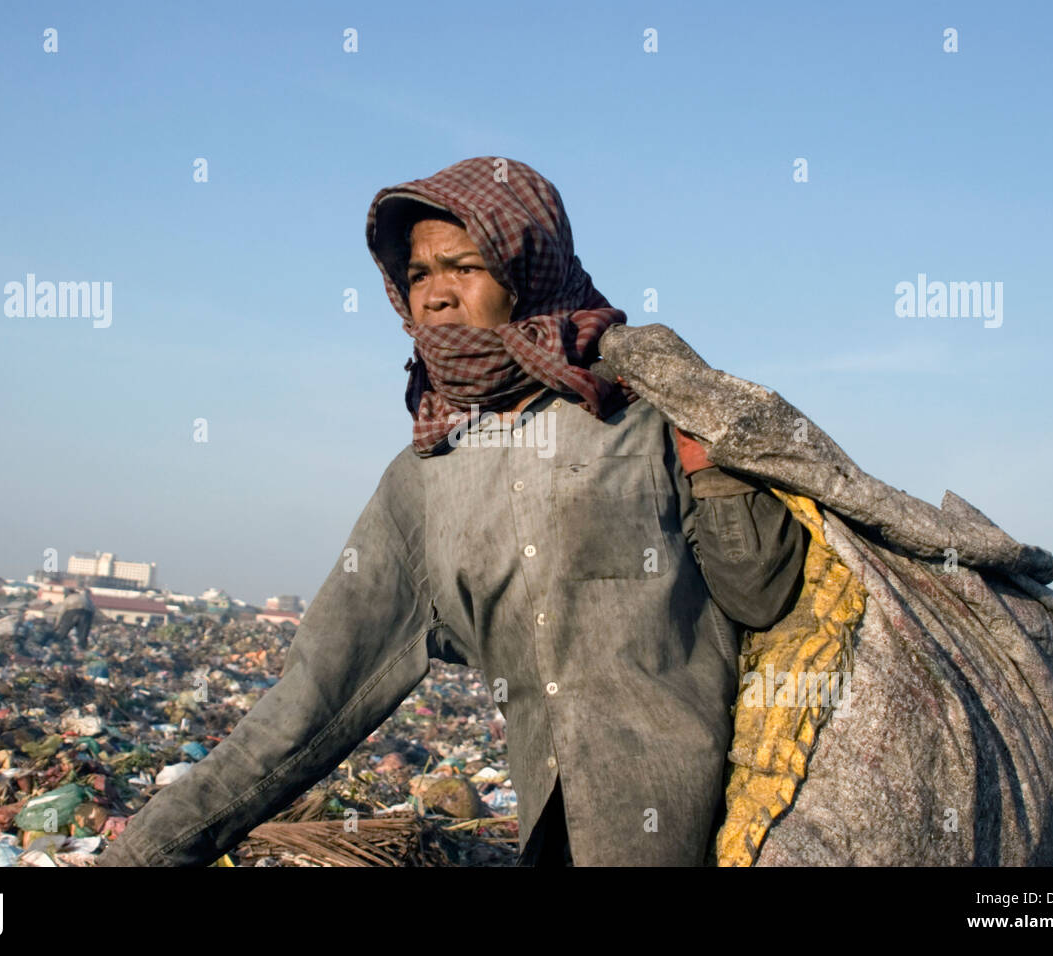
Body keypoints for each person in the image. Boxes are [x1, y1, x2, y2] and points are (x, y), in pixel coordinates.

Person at [99, 157, 806, 867]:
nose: (434, 297)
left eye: (463, 267)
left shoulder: (644, 417)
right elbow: (309, 703)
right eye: (418, 276)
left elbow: (762, 591)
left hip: (740, 830)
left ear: (526, 273)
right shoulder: (423, 484)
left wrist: (712, 448)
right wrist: (144, 855)